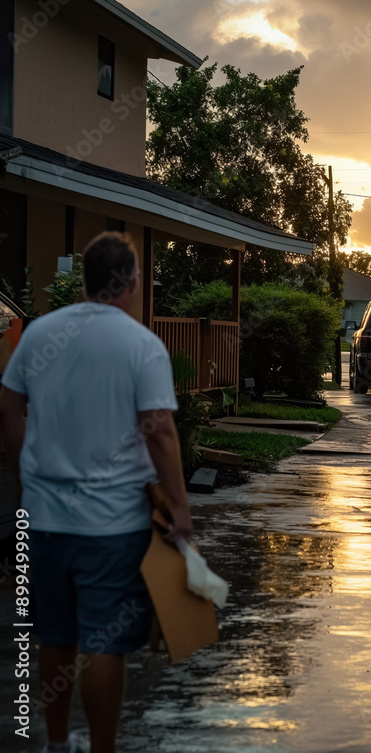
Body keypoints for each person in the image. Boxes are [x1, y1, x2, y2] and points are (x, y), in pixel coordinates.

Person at [0, 232, 192, 753]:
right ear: (131, 284)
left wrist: (25, 473)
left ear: (84, 281)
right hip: (113, 525)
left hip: (42, 519)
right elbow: (159, 429)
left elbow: (8, 405)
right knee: (104, 644)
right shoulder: (141, 346)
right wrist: (179, 507)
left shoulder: (39, 334)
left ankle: (57, 744)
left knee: (54, 638)